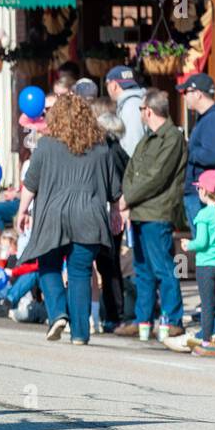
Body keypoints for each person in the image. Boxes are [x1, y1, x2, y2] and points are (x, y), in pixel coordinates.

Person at [16, 94, 121, 345]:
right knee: (80, 273)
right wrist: (116, 212)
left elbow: (30, 184)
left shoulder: (46, 145)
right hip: (89, 216)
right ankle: (80, 334)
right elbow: (114, 188)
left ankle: (58, 313)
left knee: (49, 266)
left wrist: (21, 211)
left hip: (53, 215)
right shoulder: (101, 146)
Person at [114, 88, 188, 342]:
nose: (141, 115)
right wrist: (126, 199)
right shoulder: (148, 138)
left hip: (158, 212)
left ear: (149, 110)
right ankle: (142, 319)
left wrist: (127, 198)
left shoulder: (171, 138)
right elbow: (133, 169)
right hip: (139, 212)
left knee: (163, 268)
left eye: (141, 110)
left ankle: (173, 319)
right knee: (142, 269)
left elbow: (156, 177)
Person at [181, 170, 215, 356]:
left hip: (206, 266)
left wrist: (188, 245)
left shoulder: (204, 215)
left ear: (203, 191)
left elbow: (202, 242)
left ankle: (206, 341)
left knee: (208, 305)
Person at [88, 100, 128, 334]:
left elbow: (114, 185)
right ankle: (112, 313)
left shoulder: (110, 152)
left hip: (109, 212)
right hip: (111, 212)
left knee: (108, 265)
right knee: (108, 265)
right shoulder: (117, 150)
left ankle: (114, 314)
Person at [176, 73, 215, 232]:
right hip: (200, 192)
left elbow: (211, 156)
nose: (184, 97)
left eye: (186, 92)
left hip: (204, 194)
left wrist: (188, 150)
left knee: (206, 249)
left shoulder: (213, 120)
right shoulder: (207, 118)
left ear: (198, 94)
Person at [105, 66, 145, 156]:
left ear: (113, 86)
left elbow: (134, 149)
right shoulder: (135, 102)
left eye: (106, 84)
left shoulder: (131, 107)